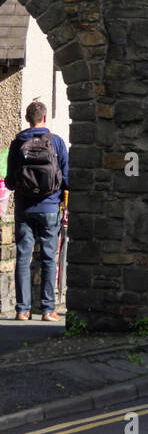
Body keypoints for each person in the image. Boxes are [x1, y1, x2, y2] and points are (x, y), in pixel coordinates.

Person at [6, 100, 69, 321]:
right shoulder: (57, 142)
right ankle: (47, 310)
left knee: (23, 257)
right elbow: (66, 179)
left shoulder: (17, 143)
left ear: (26, 119)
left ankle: (22, 310)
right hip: (50, 207)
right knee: (48, 259)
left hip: (24, 207)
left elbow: (10, 182)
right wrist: (63, 202)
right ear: (44, 118)